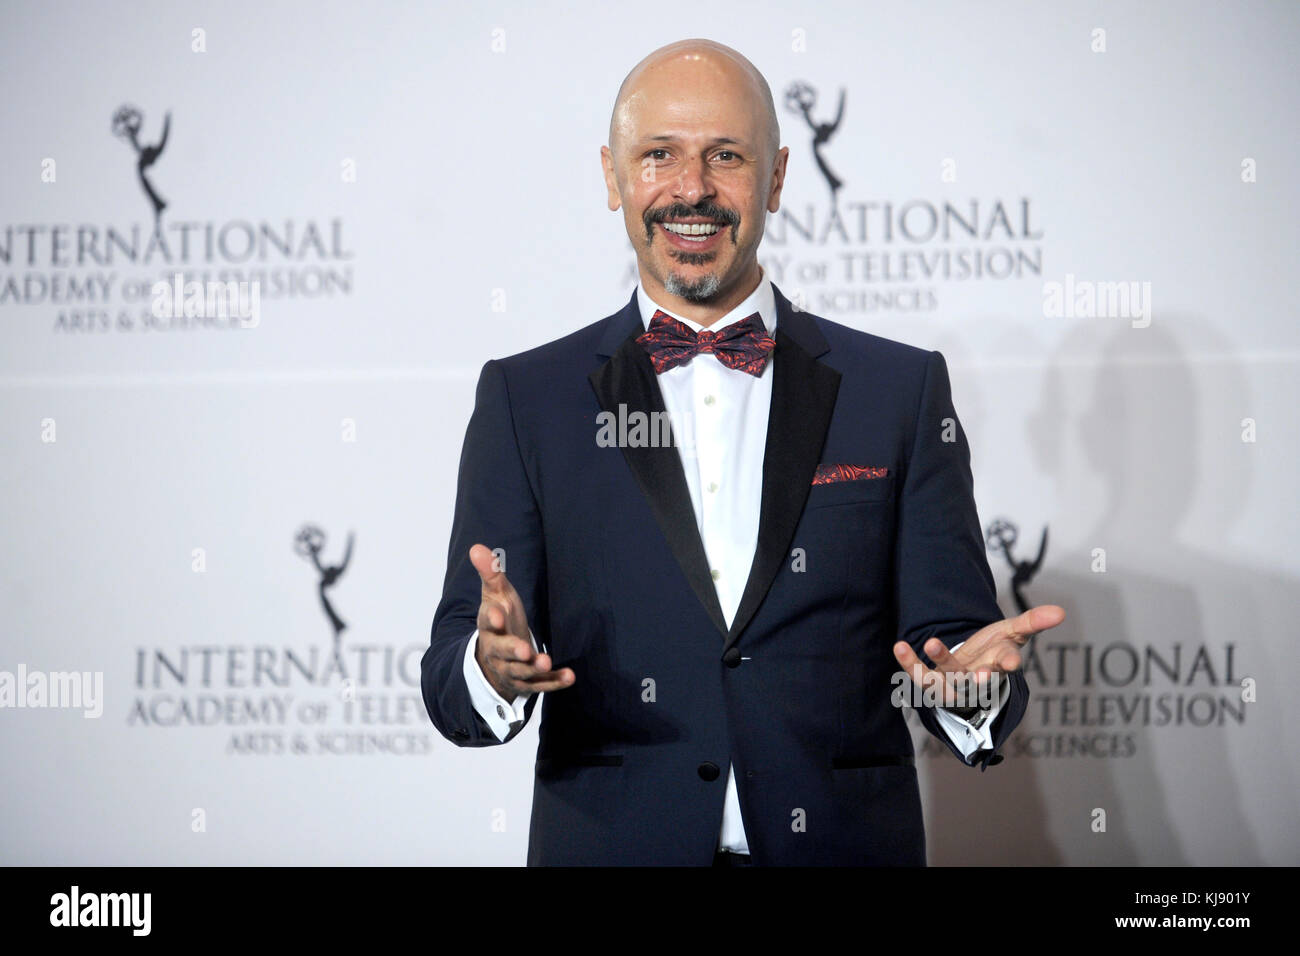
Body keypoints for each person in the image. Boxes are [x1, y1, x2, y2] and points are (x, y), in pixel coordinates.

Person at [420, 38, 1065, 866]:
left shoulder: (897, 392)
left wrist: (971, 691)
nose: (692, 189)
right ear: (614, 177)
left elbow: (955, 642)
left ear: (778, 177)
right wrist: (490, 668)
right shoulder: (527, 399)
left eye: (726, 156)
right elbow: (451, 674)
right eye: (659, 156)